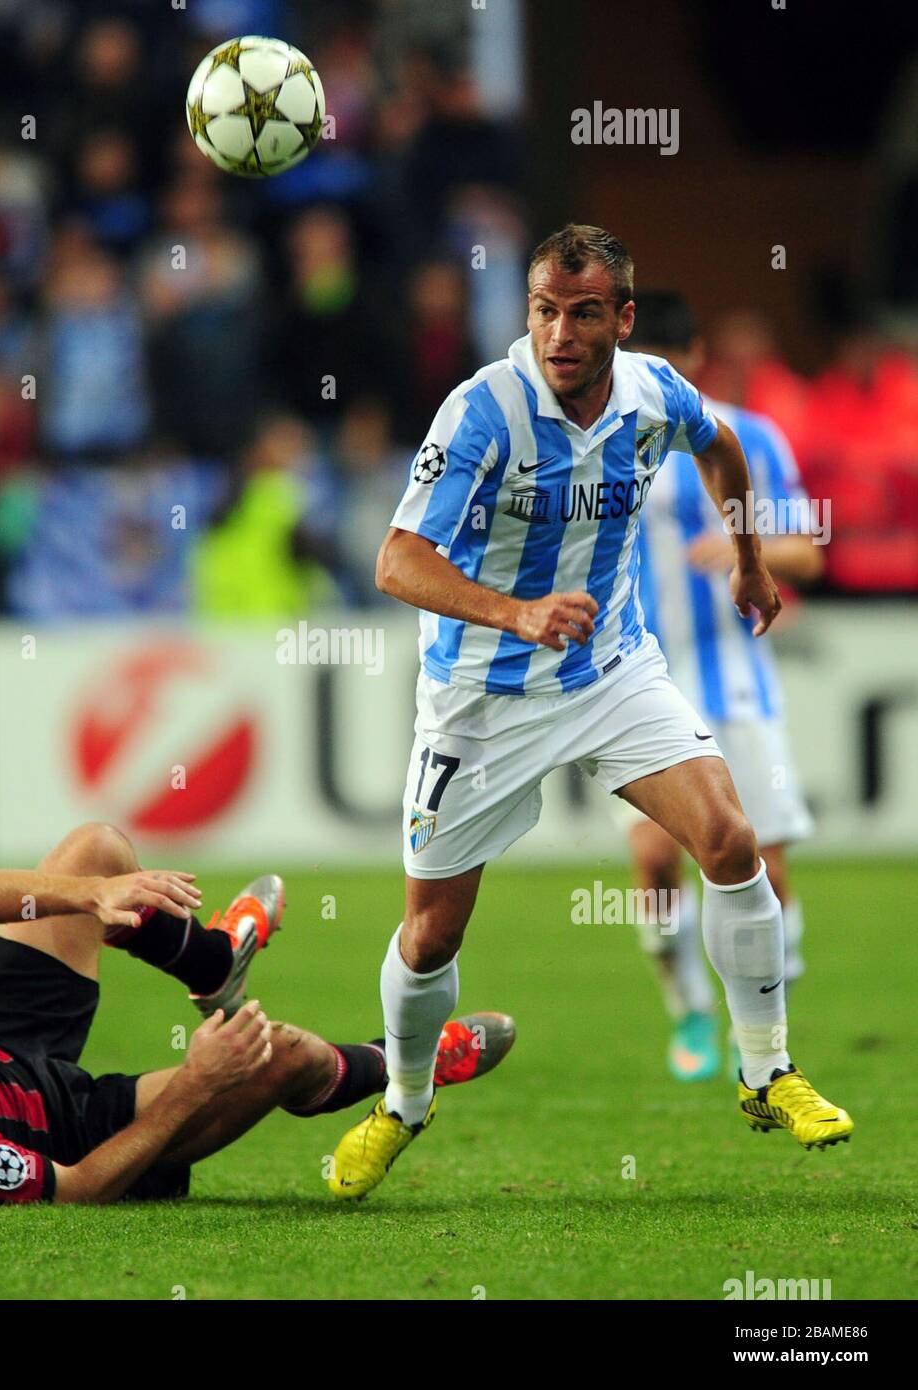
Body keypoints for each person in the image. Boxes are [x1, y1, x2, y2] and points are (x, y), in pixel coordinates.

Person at [328, 225, 852, 1201]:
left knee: (732, 839)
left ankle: (765, 1070)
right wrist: (518, 611)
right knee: (433, 935)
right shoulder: (482, 411)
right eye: (543, 310)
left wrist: (746, 560)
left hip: (612, 671)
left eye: (581, 312)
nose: (559, 332)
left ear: (623, 318)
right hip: (482, 699)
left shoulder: (653, 389)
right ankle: (402, 1099)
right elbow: (395, 561)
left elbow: (722, 446)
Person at [0, 822, 514, 1205]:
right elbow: (76, 1192)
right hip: (62, 1126)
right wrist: (199, 1083)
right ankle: (407, 1064)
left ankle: (211, 963)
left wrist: (91, 898)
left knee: (98, 854)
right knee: (277, 1053)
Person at [613, 291, 822, 1081]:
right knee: (654, 860)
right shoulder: (602, 439)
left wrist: (747, 550)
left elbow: (808, 551)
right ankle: (689, 1010)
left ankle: (763, 1015)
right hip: (640, 682)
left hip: (738, 683)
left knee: (763, 862)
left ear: (695, 358)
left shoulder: (749, 438)